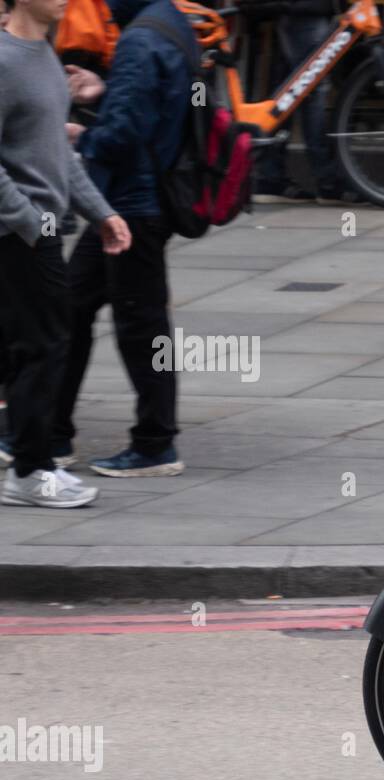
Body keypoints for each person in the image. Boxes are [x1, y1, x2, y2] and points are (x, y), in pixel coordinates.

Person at [52, 0, 197, 476]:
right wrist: (104, 91)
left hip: (133, 207)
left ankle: (155, 444)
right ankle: (49, 432)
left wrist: (77, 137)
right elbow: (152, 105)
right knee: (71, 308)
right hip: (128, 204)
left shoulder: (139, 40)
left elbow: (122, 135)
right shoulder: (171, 24)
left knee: (142, 328)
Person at [0, 0, 130, 508]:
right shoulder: (7, 60)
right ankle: (31, 472)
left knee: (27, 345)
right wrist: (29, 220)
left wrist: (101, 212)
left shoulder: (44, 57)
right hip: (22, 232)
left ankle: (36, 463)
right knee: (45, 345)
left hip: (42, 227)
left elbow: (56, 151)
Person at [243, 0, 360, 206]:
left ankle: (270, 176)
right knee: (311, 90)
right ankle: (327, 180)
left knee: (293, 88)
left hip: (302, 9)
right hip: (306, 9)